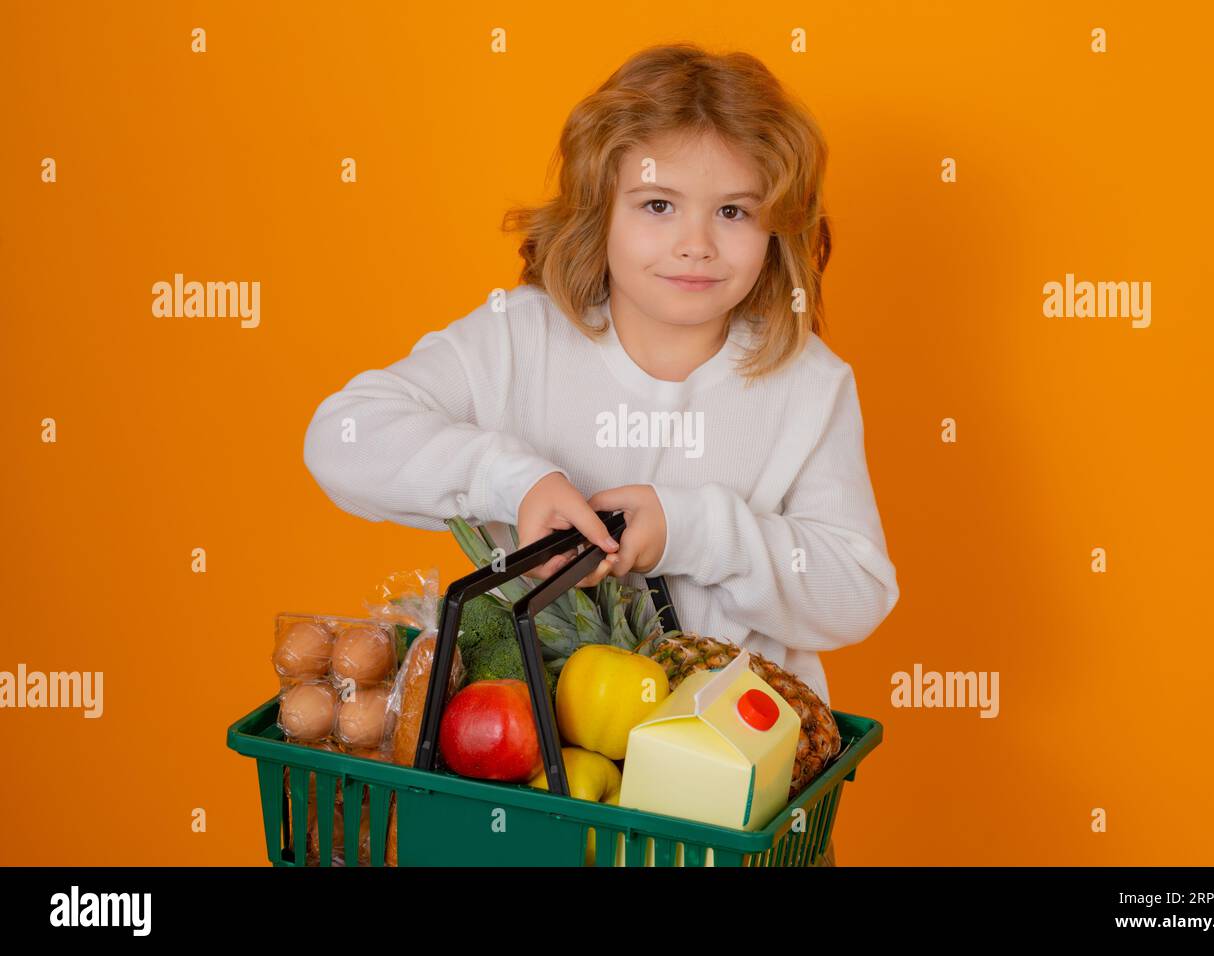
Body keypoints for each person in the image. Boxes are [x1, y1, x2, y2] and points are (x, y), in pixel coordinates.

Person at [303, 42, 899, 733]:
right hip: (528, 753)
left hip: (732, 784)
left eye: (733, 212)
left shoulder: (807, 383)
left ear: (778, 225)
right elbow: (340, 436)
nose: (696, 243)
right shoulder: (519, 338)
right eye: (657, 205)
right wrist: (513, 482)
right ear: (599, 208)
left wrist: (696, 530)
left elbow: (858, 592)